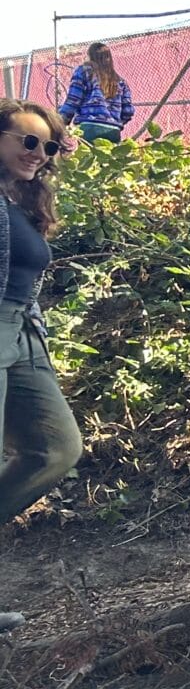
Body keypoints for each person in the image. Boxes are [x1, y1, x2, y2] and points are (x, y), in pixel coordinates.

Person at [0, 100, 83, 525]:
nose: (39, 152)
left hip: (23, 333)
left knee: (56, 449)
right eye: (28, 140)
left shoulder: (18, 200)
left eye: (49, 146)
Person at [58, 42, 135, 143]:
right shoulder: (120, 81)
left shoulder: (83, 71)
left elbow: (73, 101)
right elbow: (128, 111)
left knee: (87, 158)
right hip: (113, 132)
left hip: (89, 128)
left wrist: (60, 124)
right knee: (108, 158)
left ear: (90, 56)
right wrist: (113, 123)